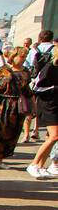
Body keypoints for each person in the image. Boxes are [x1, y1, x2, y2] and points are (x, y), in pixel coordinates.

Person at [0, 47, 31, 167]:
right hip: (1, 104)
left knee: (11, 133)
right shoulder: (2, 71)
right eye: (21, 56)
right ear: (13, 56)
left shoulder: (25, 72)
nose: (23, 59)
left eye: (25, 57)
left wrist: (31, 108)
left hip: (17, 106)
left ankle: (0, 160)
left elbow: (27, 91)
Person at [26, 29, 58, 179]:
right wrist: (54, 88)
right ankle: (33, 164)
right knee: (54, 137)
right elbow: (37, 87)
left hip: (54, 103)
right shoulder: (50, 67)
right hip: (48, 104)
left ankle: (41, 166)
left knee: (49, 137)